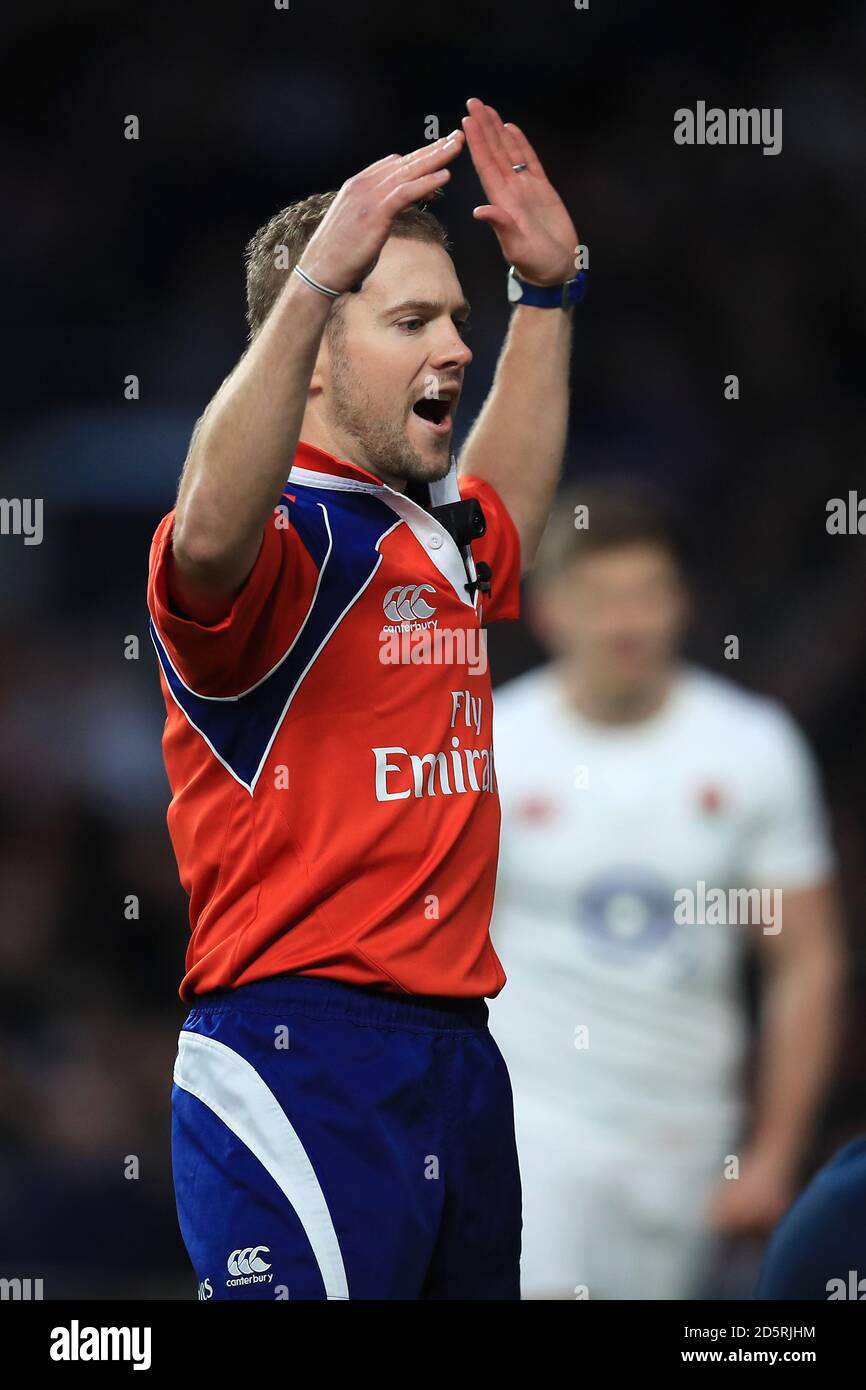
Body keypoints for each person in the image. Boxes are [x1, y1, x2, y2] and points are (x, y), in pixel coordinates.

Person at [146, 98, 584, 1299]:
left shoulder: (429, 534)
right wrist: (311, 283)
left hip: (456, 1054)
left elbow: (510, 518)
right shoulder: (273, 542)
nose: (454, 343)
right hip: (301, 1055)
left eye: (456, 315)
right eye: (409, 320)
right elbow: (206, 530)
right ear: (318, 358)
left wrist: (544, 298)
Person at [488, 484, 845, 1299]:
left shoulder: (753, 747)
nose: (626, 622)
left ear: (681, 603)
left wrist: (775, 1153)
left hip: (689, 1133)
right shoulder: (489, 743)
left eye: (647, 595)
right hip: (530, 1127)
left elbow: (808, 964)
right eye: (601, 599)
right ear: (551, 611)